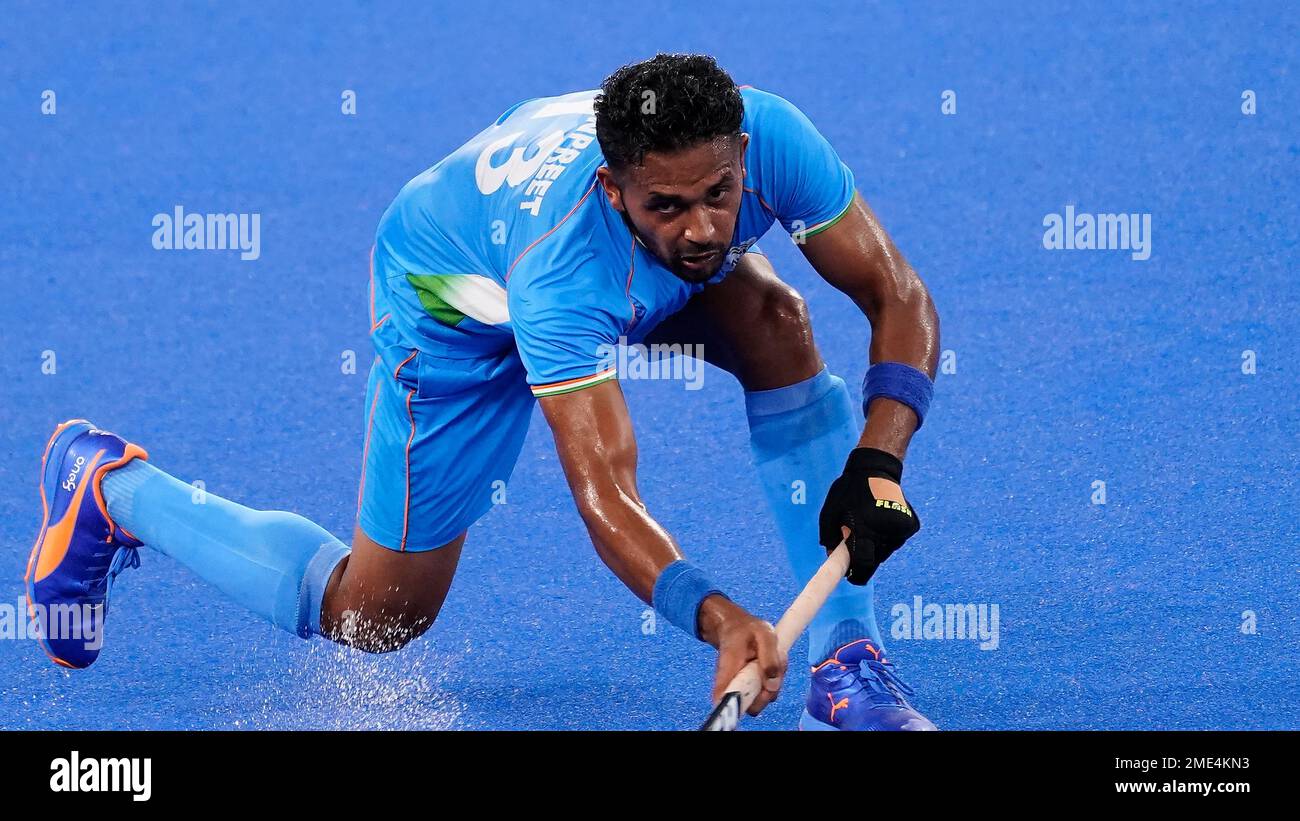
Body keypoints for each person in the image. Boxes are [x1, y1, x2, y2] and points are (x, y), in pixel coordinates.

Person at [25, 53, 939, 730]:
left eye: (719, 194)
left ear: (741, 151)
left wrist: (878, 460)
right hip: (453, 296)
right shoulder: (560, 279)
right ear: (615, 190)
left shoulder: (767, 133)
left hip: (562, 235)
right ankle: (111, 488)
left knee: (776, 325)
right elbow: (604, 494)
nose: (703, 229)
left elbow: (896, 294)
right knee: (377, 619)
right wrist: (721, 619)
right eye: (669, 205)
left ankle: (847, 659)